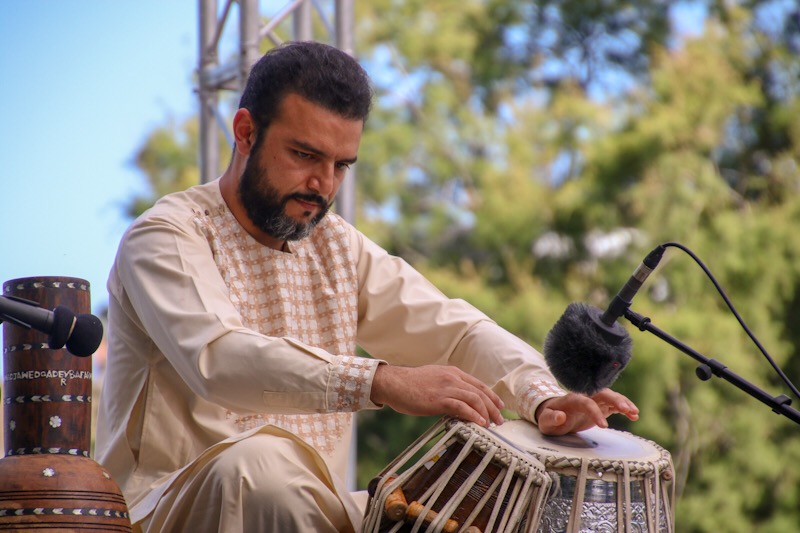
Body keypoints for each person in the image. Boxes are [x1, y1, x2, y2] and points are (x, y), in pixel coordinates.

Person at [95, 40, 639, 532]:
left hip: (311, 513)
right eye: (305, 156)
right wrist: (380, 381)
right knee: (256, 466)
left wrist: (541, 395)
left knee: (479, 498)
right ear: (245, 132)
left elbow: (455, 333)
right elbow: (218, 358)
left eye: (341, 165)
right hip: (166, 509)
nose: (323, 185)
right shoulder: (166, 236)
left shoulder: (336, 247)